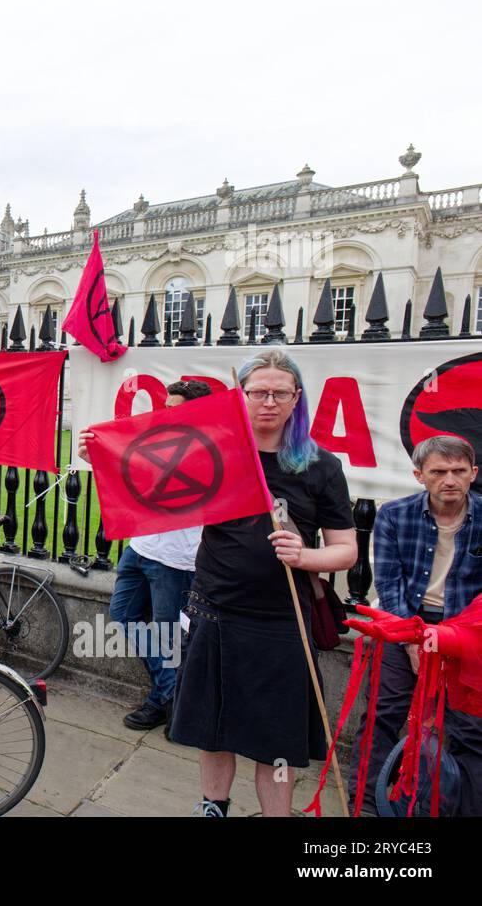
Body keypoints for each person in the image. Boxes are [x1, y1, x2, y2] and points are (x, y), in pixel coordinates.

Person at [163, 350, 356, 817]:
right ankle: (213, 807)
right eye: (258, 392)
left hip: (282, 621)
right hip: (216, 608)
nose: (268, 401)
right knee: (213, 725)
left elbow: (346, 549)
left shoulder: (319, 466)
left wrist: (305, 555)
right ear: (242, 396)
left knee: (279, 739)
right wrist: (98, 455)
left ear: (296, 400)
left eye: (280, 393)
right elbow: (146, 477)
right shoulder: (216, 451)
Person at [346, 434, 482, 815]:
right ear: (419, 475)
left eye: (459, 471)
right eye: (439, 471)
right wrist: (412, 643)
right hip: (405, 622)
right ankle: (366, 804)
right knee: (382, 713)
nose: (450, 480)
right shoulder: (395, 514)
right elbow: (388, 583)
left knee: (465, 723)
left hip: (466, 632)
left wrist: (449, 642)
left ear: (473, 473)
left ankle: (456, 806)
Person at [77, 380, 210, 731]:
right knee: (123, 615)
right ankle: (170, 694)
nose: (164, 413)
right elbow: (130, 478)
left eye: (174, 407)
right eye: (164, 406)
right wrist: (98, 457)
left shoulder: (204, 450)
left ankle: (166, 701)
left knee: (170, 637)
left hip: (175, 560)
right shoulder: (158, 440)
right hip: (140, 548)